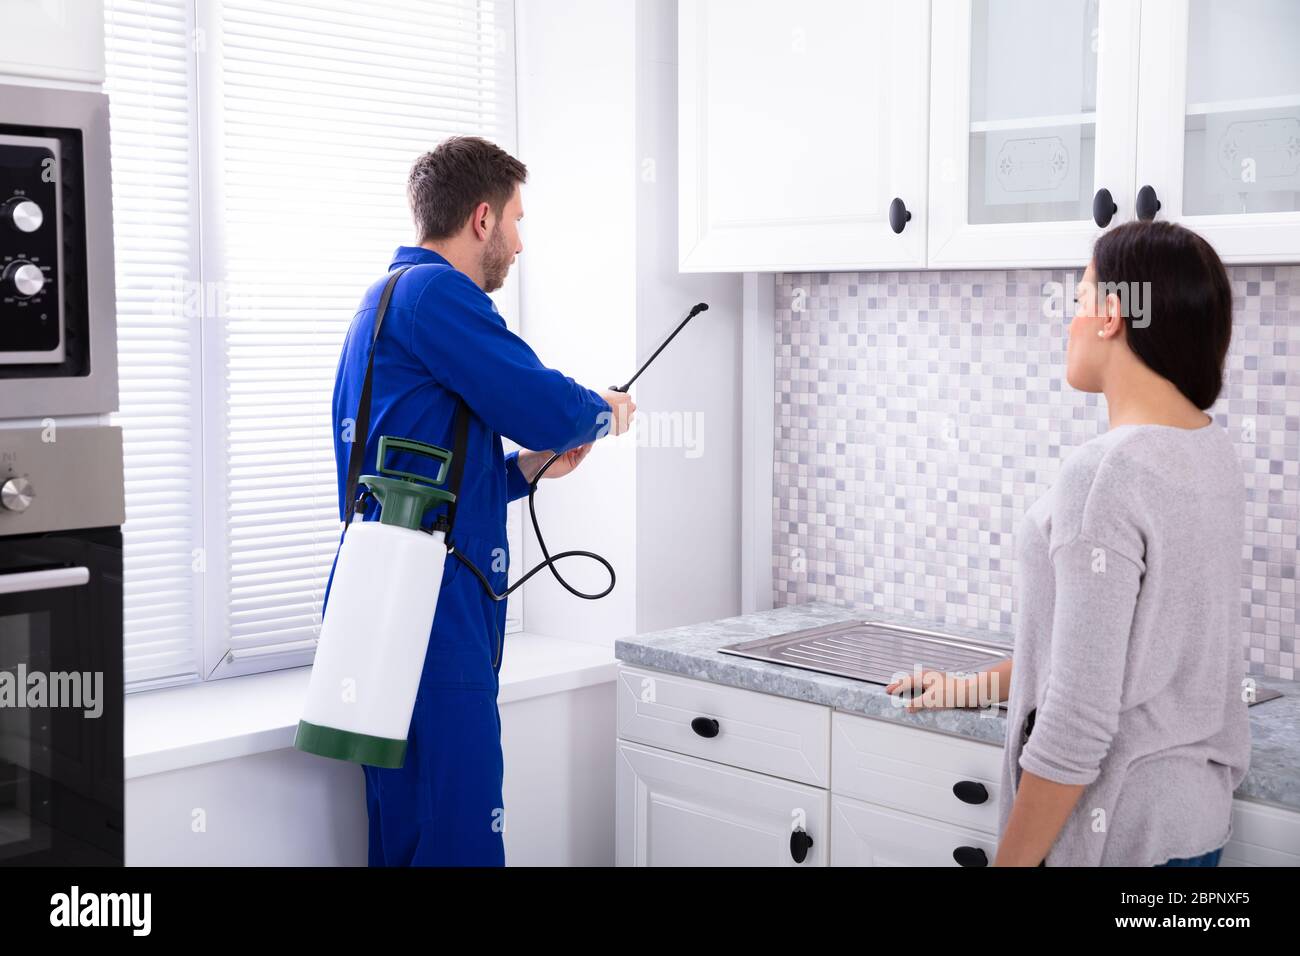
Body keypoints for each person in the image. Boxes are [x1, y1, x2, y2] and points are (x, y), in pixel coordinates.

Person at [887, 220, 1250, 866]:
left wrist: (1012, 862)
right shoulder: (1208, 450)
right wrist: (975, 687)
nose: (1071, 322)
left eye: (1080, 300)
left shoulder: (1106, 473)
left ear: (1113, 314)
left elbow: (1079, 719)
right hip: (1194, 833)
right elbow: (1110, 654)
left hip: (1118, 837)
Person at [324, 136, 635, 866]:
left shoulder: (384, 298)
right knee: (460, 832)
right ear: (483, 218)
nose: (521, 244)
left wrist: (524, 472)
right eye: (519, 222)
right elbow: (540, 401)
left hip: (380, 600)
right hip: (431, 613)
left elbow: (413, 476)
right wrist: (601, 410)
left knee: (406, 833)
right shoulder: (440, 295)